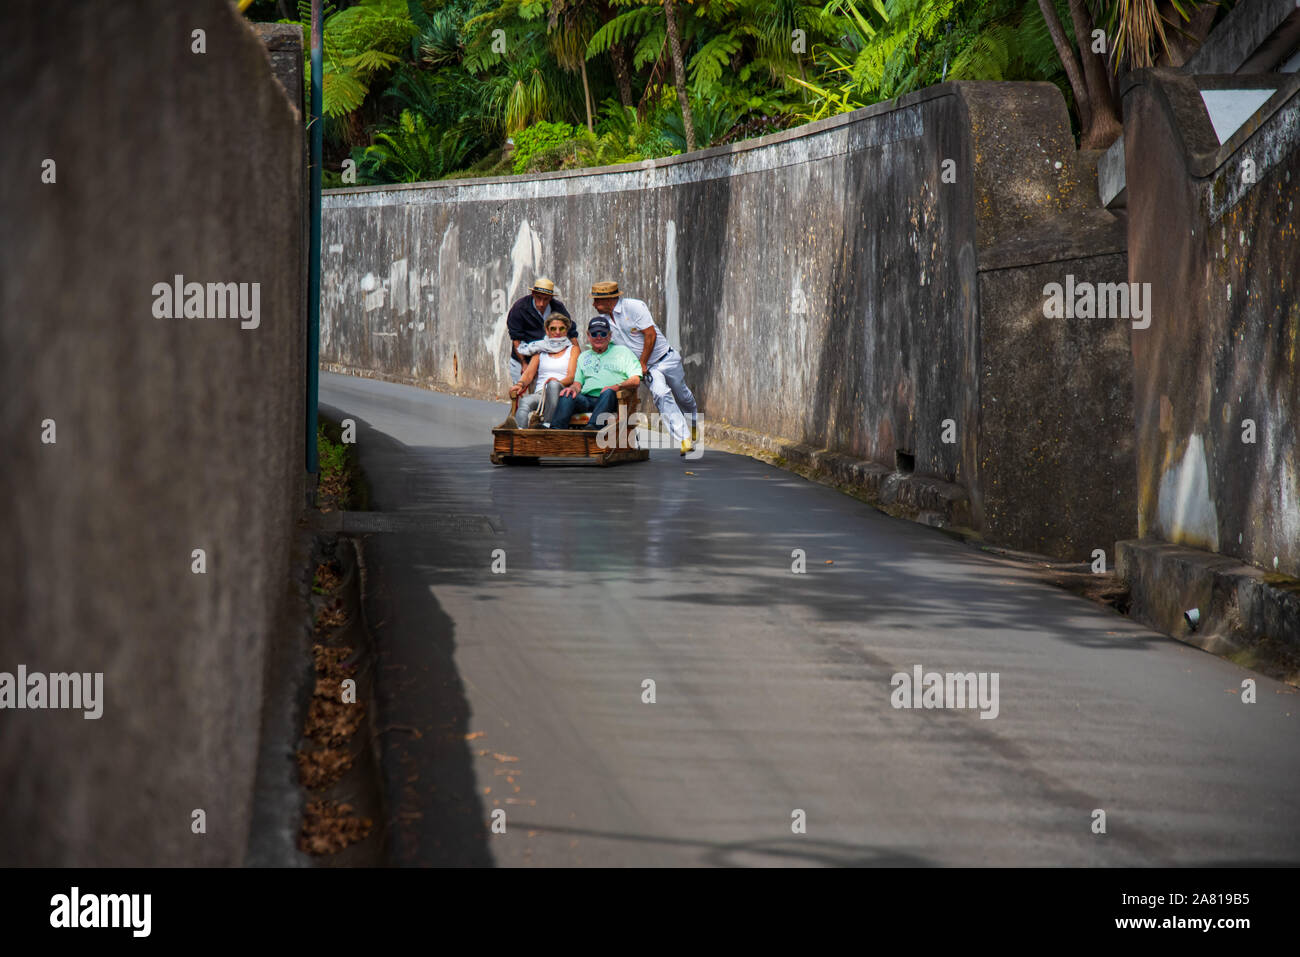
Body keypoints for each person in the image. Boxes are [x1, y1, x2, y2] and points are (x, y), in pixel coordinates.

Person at [590, 280, 698, 455]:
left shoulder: (634, 307)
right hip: (649, 369)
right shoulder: (603, 322)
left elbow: (650, 334)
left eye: (597, 300)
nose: (594, 304)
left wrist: (642, 362)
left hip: (666, 359)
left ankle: (693, 421)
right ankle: (684, 438)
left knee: (683, 396)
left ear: (609, 300)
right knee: (661, 394)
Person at [550, 317, 642, 430]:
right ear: (588, 335)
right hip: (587, 399)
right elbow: (578, 383)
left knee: (608, 392)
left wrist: (617, 386)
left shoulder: (623, 352)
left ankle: (592, 428)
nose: (599, 337)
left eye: (603, 333)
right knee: (568, 394)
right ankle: (555, 431)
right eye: (594, 334)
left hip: (612, 399)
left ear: (610, 335)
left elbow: (635, 380)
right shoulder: (583, 356)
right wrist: (572, 388)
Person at [509, 314, 578, 427]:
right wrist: (520, 384)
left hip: (561, 392)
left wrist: (556, 382)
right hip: (541, 394)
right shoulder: (541, 350)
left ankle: (547, 425)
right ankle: (520, 434)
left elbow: (571, 377)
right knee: (525, 402)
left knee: (553, 385)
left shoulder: (572, 349)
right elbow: (529, 374)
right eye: (553, 329)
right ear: (547, 330)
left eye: (561, 328)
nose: (557, 332)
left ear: (566, 331)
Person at [506, 278, 575, 384]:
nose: (541, 303)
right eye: (538, 298)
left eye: (546, 299)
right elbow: (516, 339)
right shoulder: (519, 308)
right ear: (533, 294)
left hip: (546, 359)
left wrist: (577, 355)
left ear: (551, 298)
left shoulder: (558, 308)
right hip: (522, 357)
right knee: (520, 391)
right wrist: (524, 363)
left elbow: (571, 331)